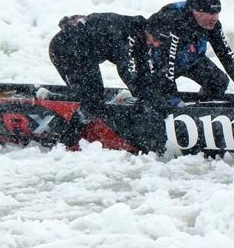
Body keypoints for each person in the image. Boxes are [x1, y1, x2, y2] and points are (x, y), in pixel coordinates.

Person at [48, 12, 173, 149]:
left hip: (83, 52)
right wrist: (148, 99)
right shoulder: (128, 36)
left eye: (159, 42)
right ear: (148, 30)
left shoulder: (141, 35)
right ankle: (65, 142)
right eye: (155, 39)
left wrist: (159, 95)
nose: (156, 44)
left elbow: (144, 72)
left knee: (92, 95)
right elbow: (128, 72)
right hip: (65, 50)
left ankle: (51, 99)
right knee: (92, 100)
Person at [146, 0, 234, 105]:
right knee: (163, 90)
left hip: (190, 59)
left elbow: (225, 54)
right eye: (211, 13)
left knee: (218, 82)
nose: (215, 18)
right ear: (197, 12)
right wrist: (169, 94)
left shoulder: (212, 24)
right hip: (158, 63)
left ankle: (203, 107)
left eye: (217, 13)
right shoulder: (174, 19)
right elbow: (162, 59)